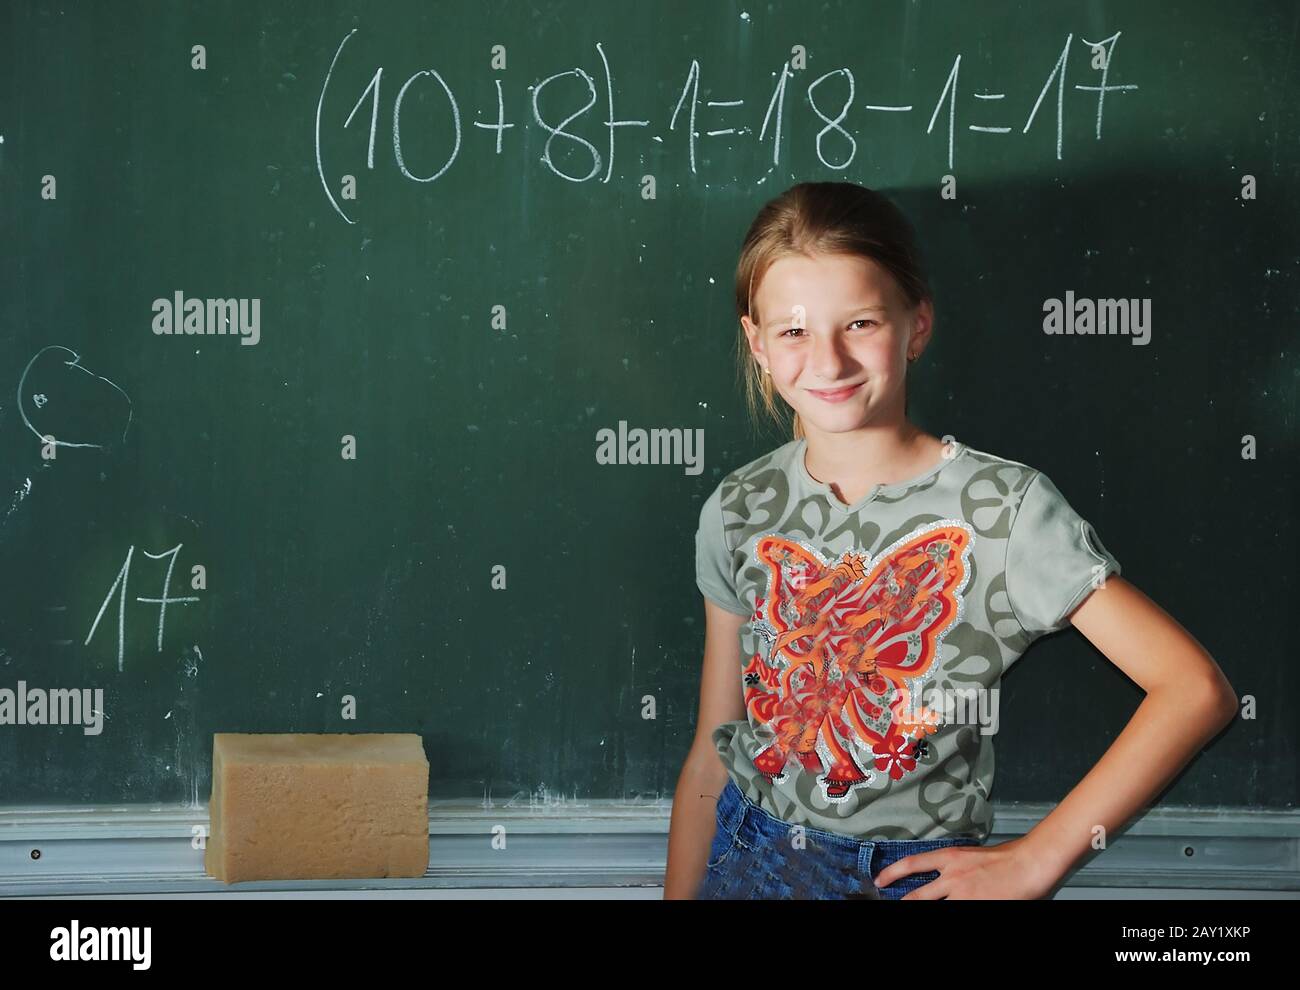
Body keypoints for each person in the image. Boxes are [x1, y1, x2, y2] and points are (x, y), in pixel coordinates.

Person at [663, 181, 1237, 900]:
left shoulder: (1004, 511)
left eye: (862, 324)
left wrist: (1036, 860)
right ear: (757, 342)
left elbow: (1194, 689)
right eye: (794, 331)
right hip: (748, 859)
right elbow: (712, 754)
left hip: (913, 877)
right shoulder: (739, 507)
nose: (829, 360)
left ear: (918, 325)